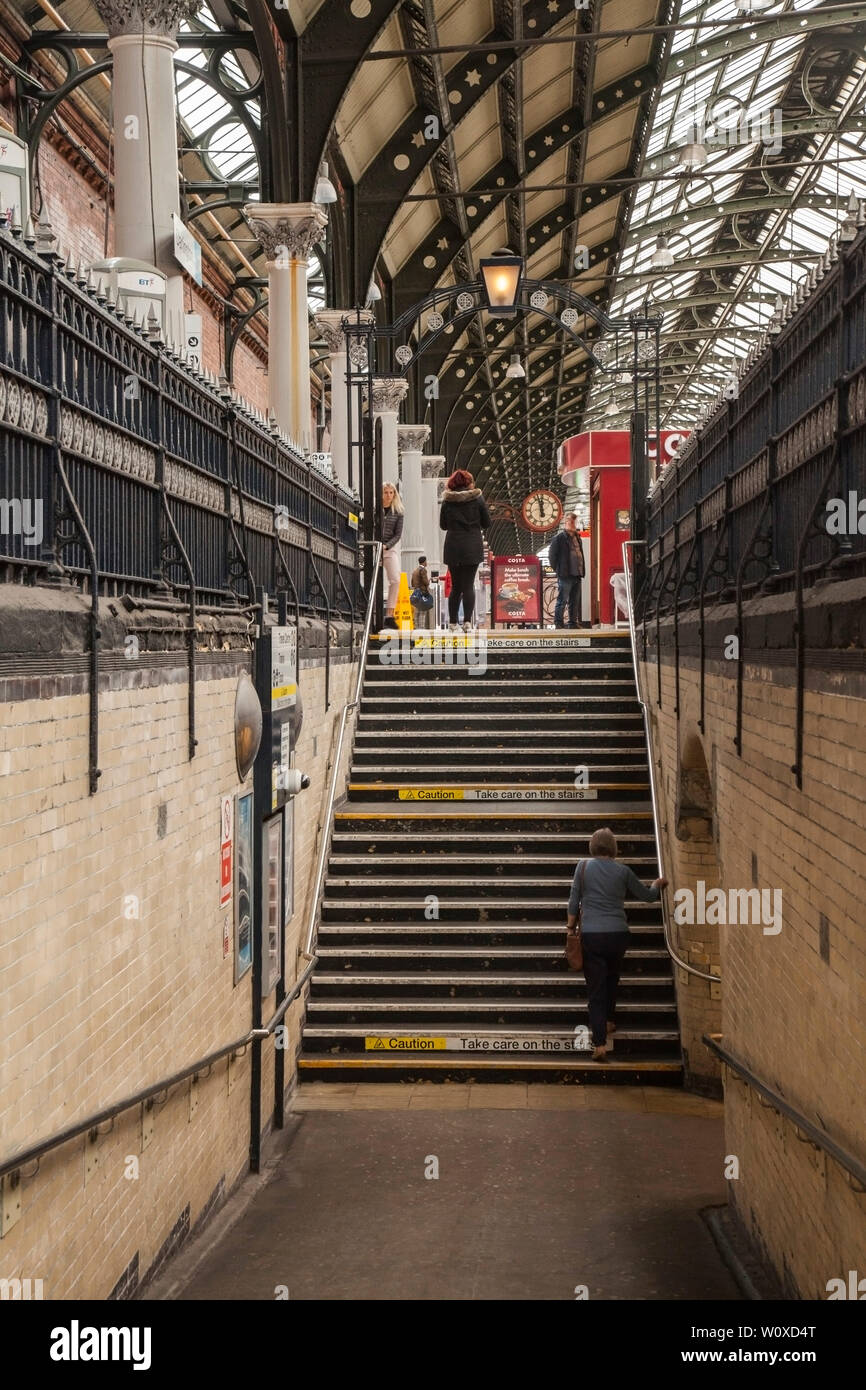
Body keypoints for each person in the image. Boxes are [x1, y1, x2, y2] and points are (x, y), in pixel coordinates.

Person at [567, 827, 668, 1062]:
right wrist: (657, 884)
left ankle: (600, 1044)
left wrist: (570, 928)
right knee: (612, 978)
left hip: (592, 935)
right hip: (618, 935)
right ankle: (610, 1020)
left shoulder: (582, 867)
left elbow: (574, 902)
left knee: (596, 990)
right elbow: (648, 897)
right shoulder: (623, 871)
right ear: (613, 847)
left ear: (593, 847)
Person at [439, 469, 490, 632]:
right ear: (469, 482)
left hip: (453, 545)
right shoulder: (477, 499)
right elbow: (487, 523)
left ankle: (453, 623)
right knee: (468, 585)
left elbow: (443, 525)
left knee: (456, 586)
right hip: (472, 546)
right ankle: (467, 622)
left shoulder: (447, 501)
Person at [548, 512, 586, 628]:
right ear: (565, 523)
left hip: (577, 574)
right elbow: (552, 556)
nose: (572, 524)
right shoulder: (558, 538)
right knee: (562, 600)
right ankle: (558, 623)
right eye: (570, 521)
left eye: (574, 521)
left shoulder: (578, 538)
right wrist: (559, 570)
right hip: (565, 575)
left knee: (574, 601)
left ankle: (573, 623)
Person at [381, 481, 404, 629]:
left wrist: (387, 545)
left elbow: (398, 534)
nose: (389, 495)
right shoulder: (376, 509)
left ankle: (389, 615)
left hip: (389, 549)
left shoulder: (398, 512)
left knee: (395, 579)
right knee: (373, 579)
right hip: (373, 548)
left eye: (391, 492)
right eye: (386, 492)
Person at [410, 554, 433, 630]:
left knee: (417, 610)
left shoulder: (415, 571)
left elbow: (412, 582)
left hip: (416, 592)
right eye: (426, 561)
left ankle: (416, 627)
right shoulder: (423, 570)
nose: (427, 563)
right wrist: (428, 581)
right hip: (422, 592)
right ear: (423, 562)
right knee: (423, 610)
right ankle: (422, 627)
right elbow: (426, 582)